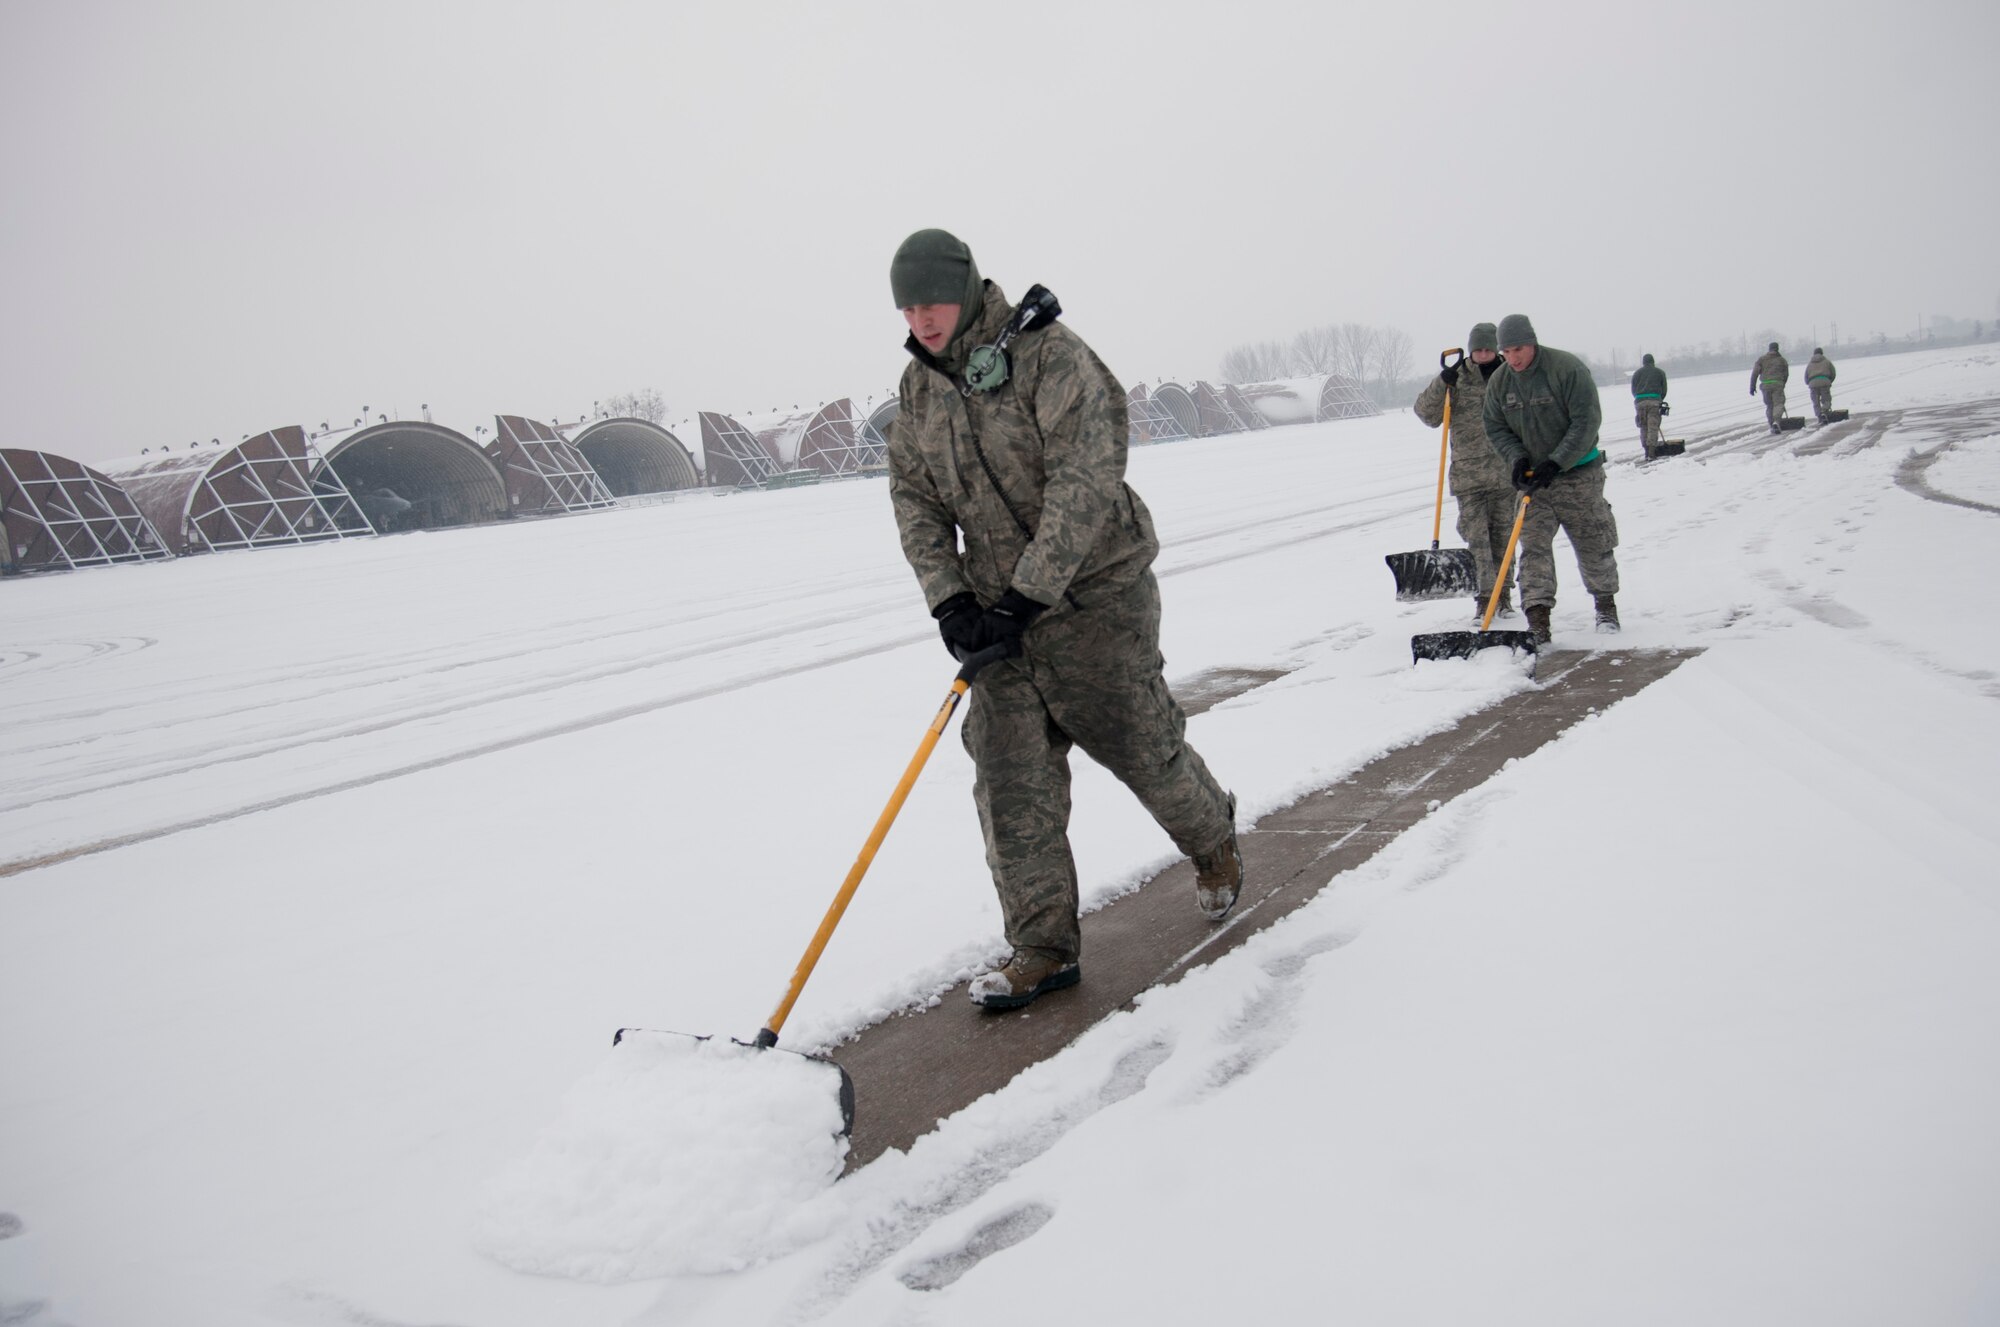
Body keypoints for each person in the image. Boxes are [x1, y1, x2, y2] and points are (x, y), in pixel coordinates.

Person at [884, 228, 1242, 1011]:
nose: (921, 319)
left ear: (966, 288)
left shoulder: (1050, 355)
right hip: (999, 624)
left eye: (933, 301)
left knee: (1145, 753)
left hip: (1094, 600)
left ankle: (1213, 837)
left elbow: (1086, 480)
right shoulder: (918, 391)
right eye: (907, 308)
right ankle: (1042, 947)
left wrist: (1030, 593)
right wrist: (951, 599)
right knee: (1009, 783)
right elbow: (913, 498)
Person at [1481, 313, 1621, 643]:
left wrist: (1558, 462)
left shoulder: (1566, 369)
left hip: (1578, 475)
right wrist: (1516, 459)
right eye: (1506, 352)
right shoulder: (1500, 382)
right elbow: (1495, 427)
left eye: (1518, 349)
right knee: (1533, 549)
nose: (1513, 358)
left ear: (1532, 343)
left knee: (1593, 543)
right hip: (1534, 482)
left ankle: (1605, 606)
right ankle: (1538, 621)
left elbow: (1586, 421)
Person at [1412, 322, 1516, 617]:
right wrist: (1441, 383)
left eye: (1487, 349)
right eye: (1477, 350)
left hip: (1506, 473)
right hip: (1469, 478)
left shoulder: (1509, 375)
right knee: (1477, 540)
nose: (1482, 354)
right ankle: (1484, 598)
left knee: (1504, 539)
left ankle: (1503, 596)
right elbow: (1426, 414)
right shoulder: (1456, 378)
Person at [1630, 353, 1668, 459]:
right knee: (1653, 427)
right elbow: (1664, 389)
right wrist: (1659, 399)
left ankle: (1646, 451)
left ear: (1643, 362)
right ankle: (1652, 452)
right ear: (1653, 361)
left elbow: (1633, 390)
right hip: (1654, 402)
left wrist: (1639, 398)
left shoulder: (1637, 373)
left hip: (1640, 402)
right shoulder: (1660, 372)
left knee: (1643, 427)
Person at [1750, 340, 1789, 432]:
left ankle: (1772, 424)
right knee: (1778, 404)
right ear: (1777, 349)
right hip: (1777, 384)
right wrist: (1783, 384)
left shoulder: (1761, 359)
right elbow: (1786, 374)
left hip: (1765, 385)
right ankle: (1776, 421)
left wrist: (1752, 386)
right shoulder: (1782, 360)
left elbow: (1755, 373)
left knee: (1769, 406)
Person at [1805, 346, 1837, 422]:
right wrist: (1829, 381)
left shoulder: (1809, 364)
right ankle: (1824, 411)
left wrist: (1809, 383)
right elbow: (1833, 373)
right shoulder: (1827, 362)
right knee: (1826, 399)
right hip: (1824, 382)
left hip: (1813, 383)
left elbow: (1806, 376)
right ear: (1822, 353)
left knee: (1815, 401)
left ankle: (1819, 415)